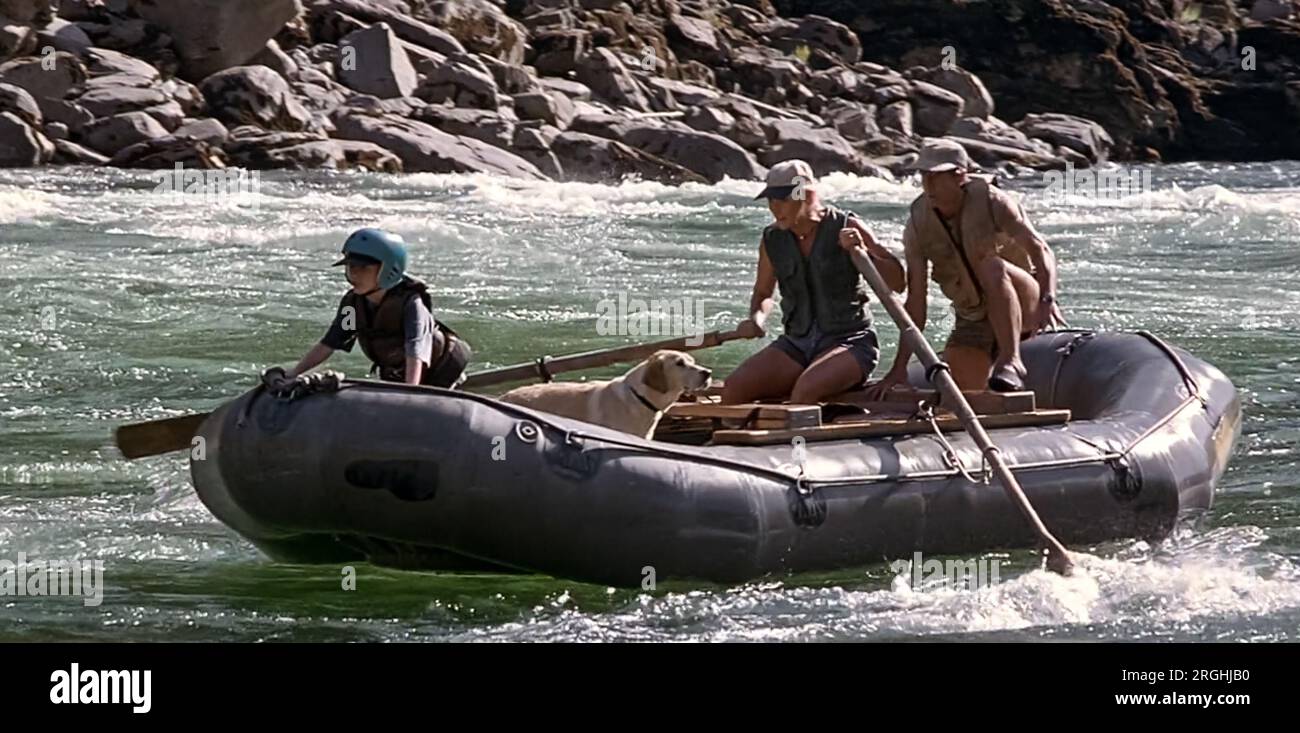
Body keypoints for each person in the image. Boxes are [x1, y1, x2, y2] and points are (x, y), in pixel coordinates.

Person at [867, 140, 1065, 397]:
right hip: (972, 316)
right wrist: (899, 367)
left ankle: (1011, 359)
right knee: (961, 396)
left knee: (991, 266)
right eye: (924, 176)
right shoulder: (918, 223)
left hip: (1021, 298)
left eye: (936, 177)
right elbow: (916, 302)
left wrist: (1048, 298)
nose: (928, 185)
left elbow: (1040, 249)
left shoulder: (994, 202)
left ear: (960, 175)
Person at [721, 160, 906, 405]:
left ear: (806, 194)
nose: (775, 208)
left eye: (783, 199)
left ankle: (794, 441)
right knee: (734, 389)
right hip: (797, 344)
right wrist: (757, 318)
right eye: (771, 201)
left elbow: (898, 282)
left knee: (805, 392)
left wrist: (862, 251)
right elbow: (764, 292)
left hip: (850, 343)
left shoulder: (846, 225)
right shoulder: (772, 238)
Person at [268, 228, 472, 390]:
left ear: (389, 270)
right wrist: (294, 373)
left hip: (441, 369)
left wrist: (411, 392)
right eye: (350, 267)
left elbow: (416, 350)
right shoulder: (353, 305)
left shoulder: (411, 304)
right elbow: (330, 343)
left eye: (363, 268)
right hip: (396, 371)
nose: (353, 274)